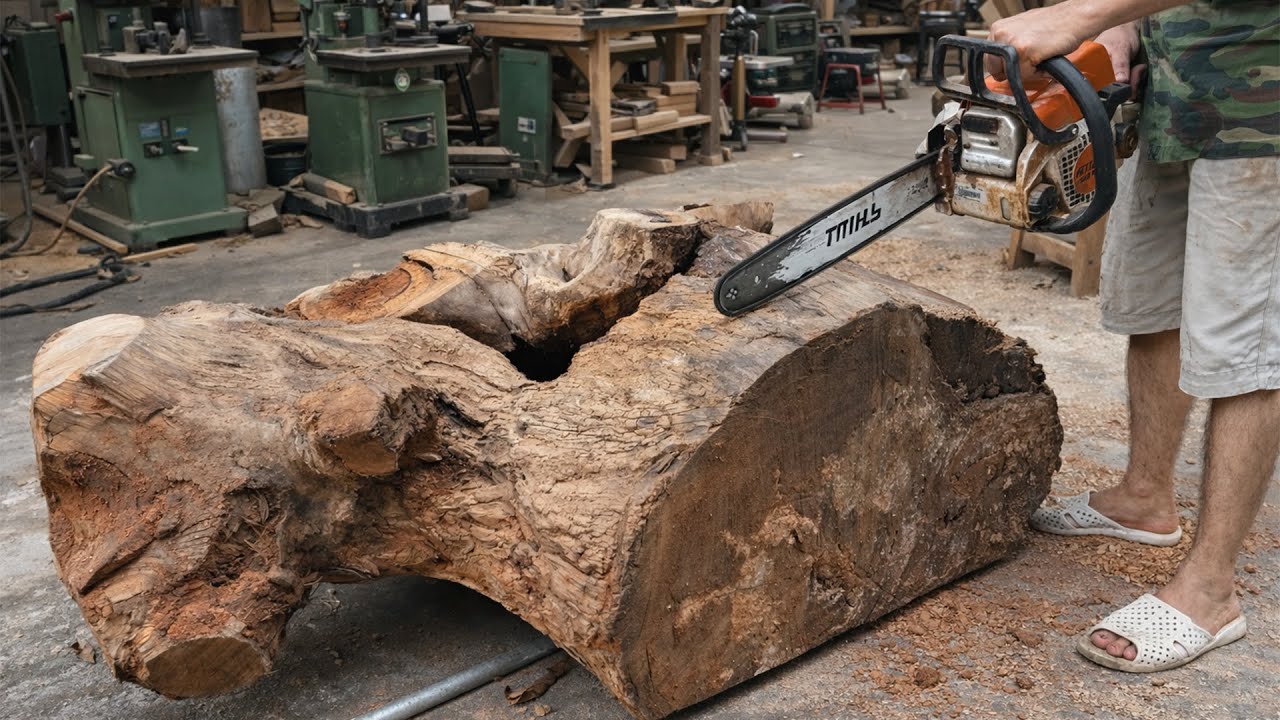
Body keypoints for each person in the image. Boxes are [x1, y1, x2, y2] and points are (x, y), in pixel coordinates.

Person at [987, 0, 1279, 672]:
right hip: (1177, 96)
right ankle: (1145, 497)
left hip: (1263, 110)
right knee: (1153, 299)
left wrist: (1079, 15)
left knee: (1249, 340)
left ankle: (1211, 590)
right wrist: (1122, 31)